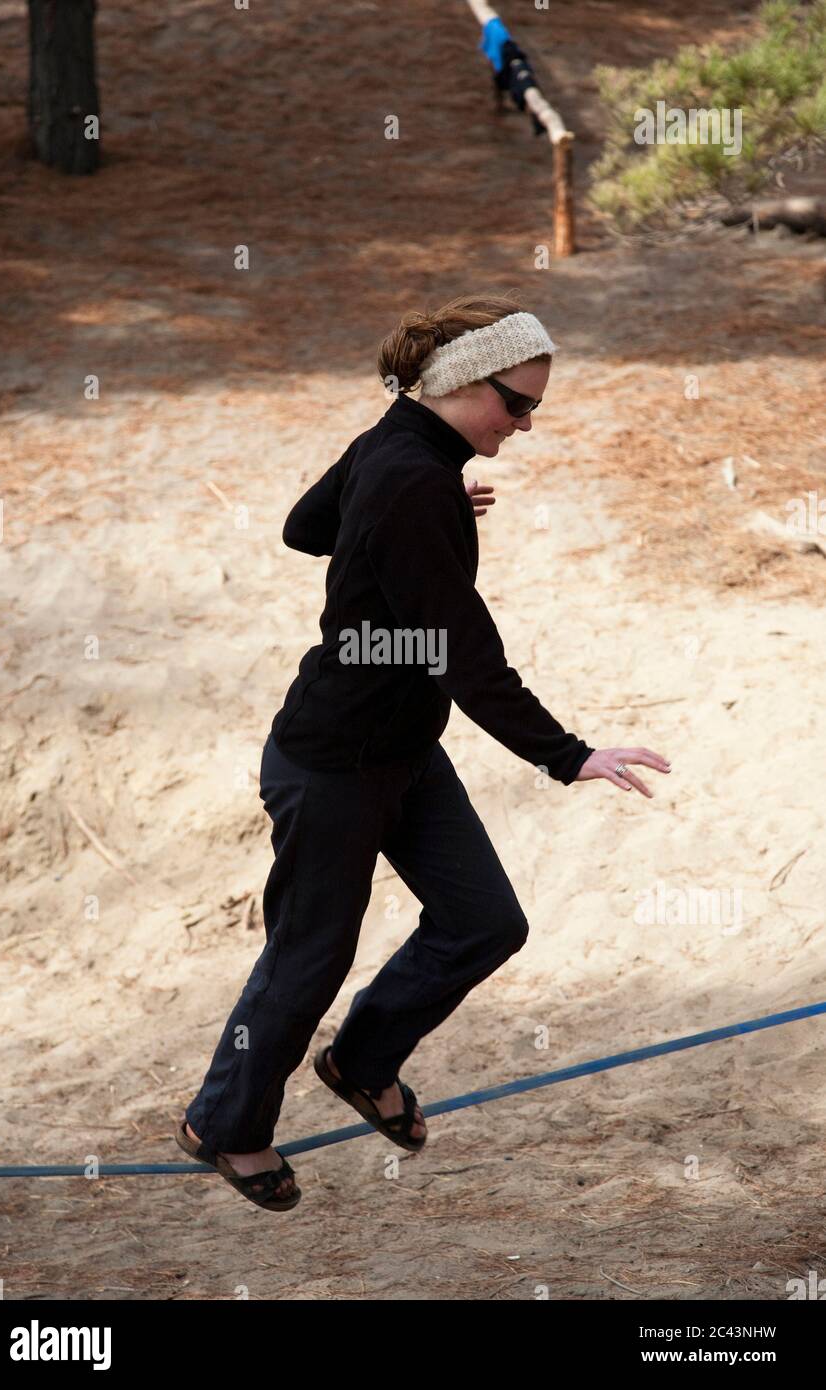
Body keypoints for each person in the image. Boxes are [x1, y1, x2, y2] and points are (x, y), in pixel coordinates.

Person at [175, 293, 671, 1211]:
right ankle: (224, 1123)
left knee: (485, 921)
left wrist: (435, 502)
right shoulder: (408, 476)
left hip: (401, 748)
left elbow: (307, 527)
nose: (523, 426)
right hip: (333, 761)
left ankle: (362, 1062)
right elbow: (464, 657)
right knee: (309, 956)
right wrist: (569, 755)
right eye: (514, 406)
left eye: (534, 410)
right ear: (456, 383)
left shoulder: (409, 457)